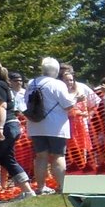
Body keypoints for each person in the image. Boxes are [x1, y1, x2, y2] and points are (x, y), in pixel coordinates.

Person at [0, 60, 36, 202]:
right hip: (9, 127)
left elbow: (1, 106)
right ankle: (27, 191)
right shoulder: (2, 84)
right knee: (6, 159)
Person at [22, 57, 76, 195]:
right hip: (55, 125)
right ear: (56, 71)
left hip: (35, 124)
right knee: (58, 156)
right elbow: (68, 104)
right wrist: (76, 97)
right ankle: (62, 186)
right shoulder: (57, 84)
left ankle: (40, 187)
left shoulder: (31, 83)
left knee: (41, 157)